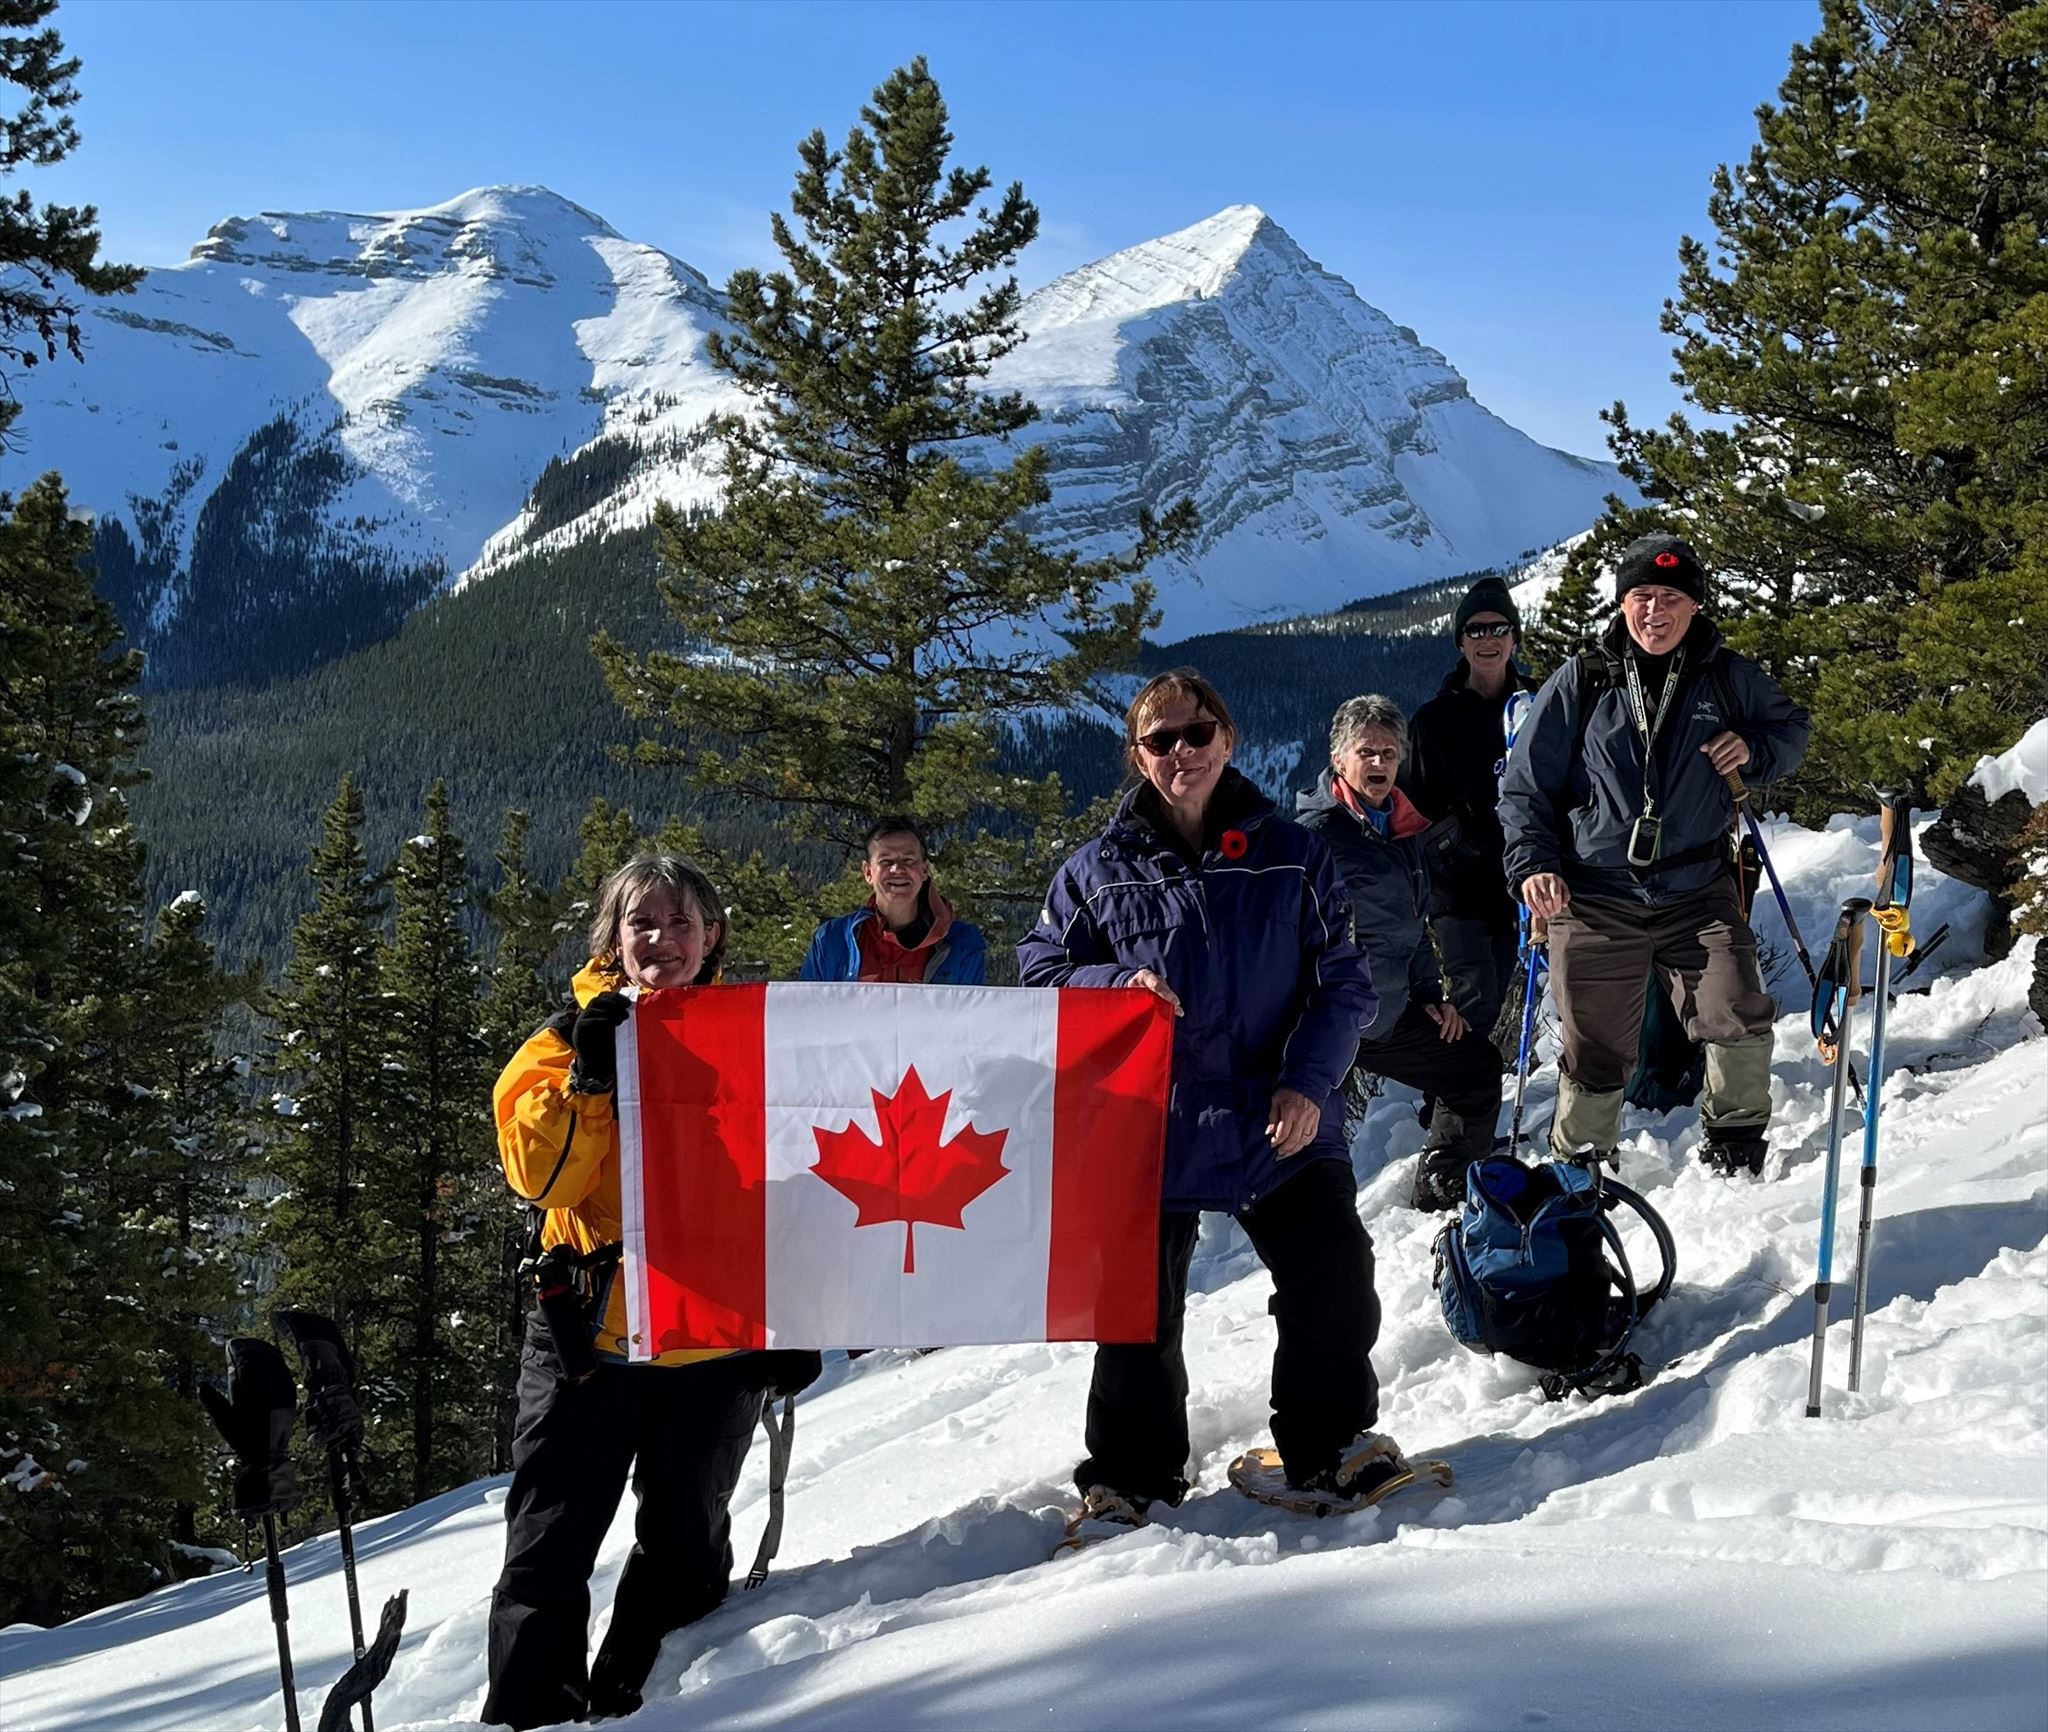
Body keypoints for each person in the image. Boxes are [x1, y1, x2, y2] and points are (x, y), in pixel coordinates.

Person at [1018, 668, 1386, 1530]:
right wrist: (1115, 984)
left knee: (1334, 1275)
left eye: (1196, 733)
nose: (1180, 751)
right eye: (1160, 740)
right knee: (1136, 1311)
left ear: (1227, 739)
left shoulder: (1294, 853)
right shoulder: (1094, 874)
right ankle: (1131, 1475)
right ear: (1137, 756)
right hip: (1153, 1124)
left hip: (1277, 1112)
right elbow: (1039, 972)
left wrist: (1308, 1083)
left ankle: (1329, 1444)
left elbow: (1344, 982)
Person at [483, 856, 817, 1729]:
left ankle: (642, 1710)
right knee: (548, 1552)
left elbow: (796, 1183)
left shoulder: (753, 1041)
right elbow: (545, 1181)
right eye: (642, 923)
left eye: (680, 922)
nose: (662, 939)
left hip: (715, 1341)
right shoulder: (558, 1043)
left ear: (712, 936)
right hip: (591, 1340)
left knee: (685, 1553)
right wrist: (590, 1081)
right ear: (613, 937)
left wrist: (797, 1311)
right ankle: (531, 1719)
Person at [1499, 534, 1810, 1175]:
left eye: (1670, 597)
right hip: (1594, 893)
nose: (1654, 611)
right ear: (1622, 604)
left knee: (1734, 1007)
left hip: (1696, 887)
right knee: (1593, 1044)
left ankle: (1736, 1149)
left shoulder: (1725, 677)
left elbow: (1792, 730)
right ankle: (1580, 1171)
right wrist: (1534, 864)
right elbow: (1525, 784)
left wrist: (1753, 749)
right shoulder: (1585, 680)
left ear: (1695, 606)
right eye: (1641, 595)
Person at [1298, 694, 1505, 1210]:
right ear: (1339, 759)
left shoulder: (1402, 829)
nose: (1379, 762)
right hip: (1326, 1016)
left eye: (1389, 754)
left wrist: (1431, 996)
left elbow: (1412, 925)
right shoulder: (1316, 839)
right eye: (1366, 752)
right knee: (1308, 1136)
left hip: (1385, 1011)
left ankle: (1444, 1187)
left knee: (1475, 1068)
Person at [1401, 574, 1540, 1044]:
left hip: (1521, 881)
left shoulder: (1538, 708)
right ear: (1460, 642)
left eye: (1498, 628)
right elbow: (1411, 806)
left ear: (1514, 637)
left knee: (1495, 992)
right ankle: (1452, 1087)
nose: (1487, 639)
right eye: (1475, 630)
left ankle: (1460, 1077)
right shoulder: (1434, 721)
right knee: (1473, 996)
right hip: (1458, 888)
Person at [799, 816, 986, 984]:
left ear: (924, 870)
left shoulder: (961, 944)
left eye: (908, 860)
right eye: (886, 862)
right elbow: (810, 1007)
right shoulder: (832, 940)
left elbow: (970, 1010)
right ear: (868, 872)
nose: (897, 869)